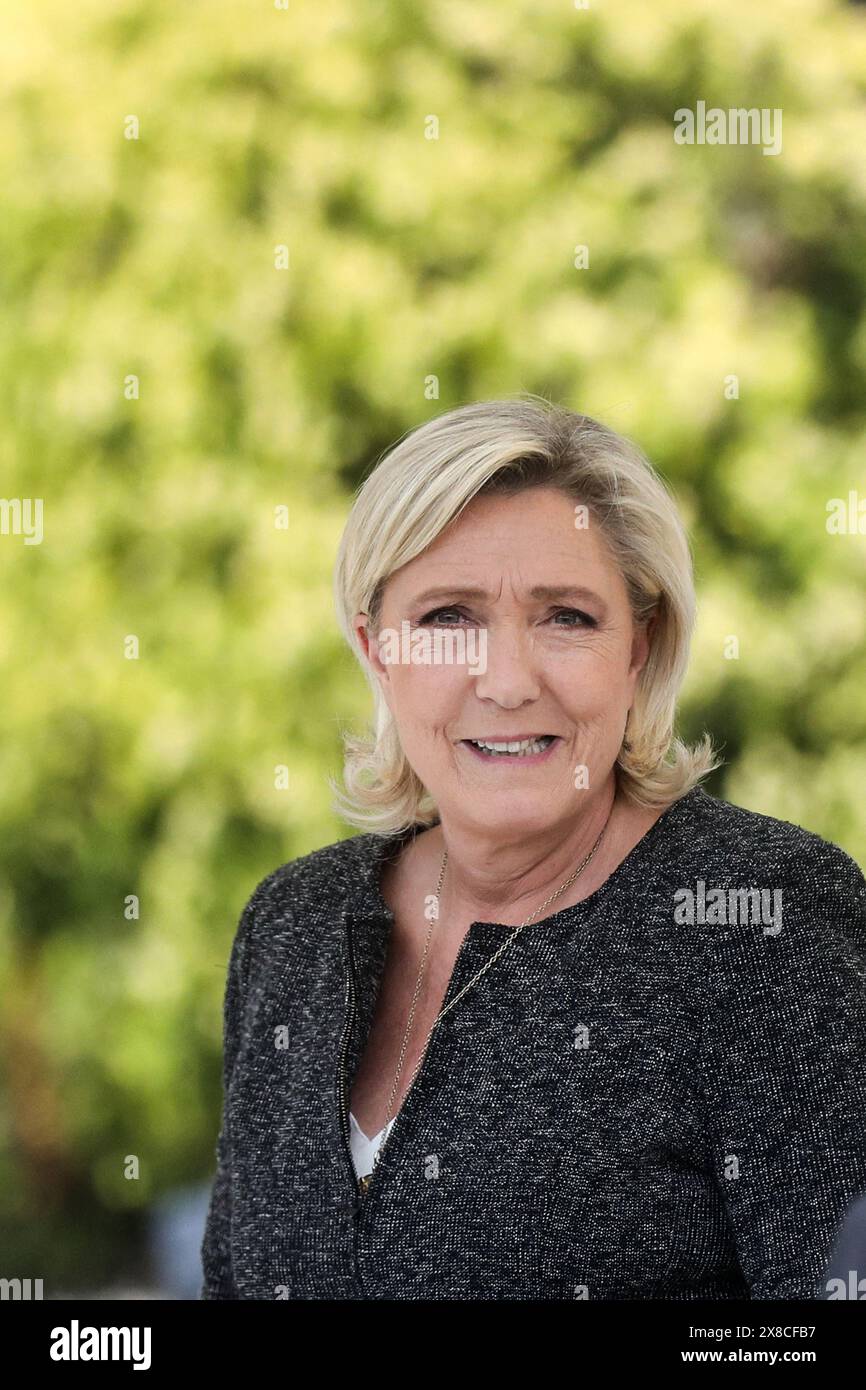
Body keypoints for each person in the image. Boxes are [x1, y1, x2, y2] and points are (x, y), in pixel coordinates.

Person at [200, 395, 866, 1299]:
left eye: (566, 617)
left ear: (643, 645)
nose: (508, 682)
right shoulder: (294, 926)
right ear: (375, 648)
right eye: (447, 618)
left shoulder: (764, 921)